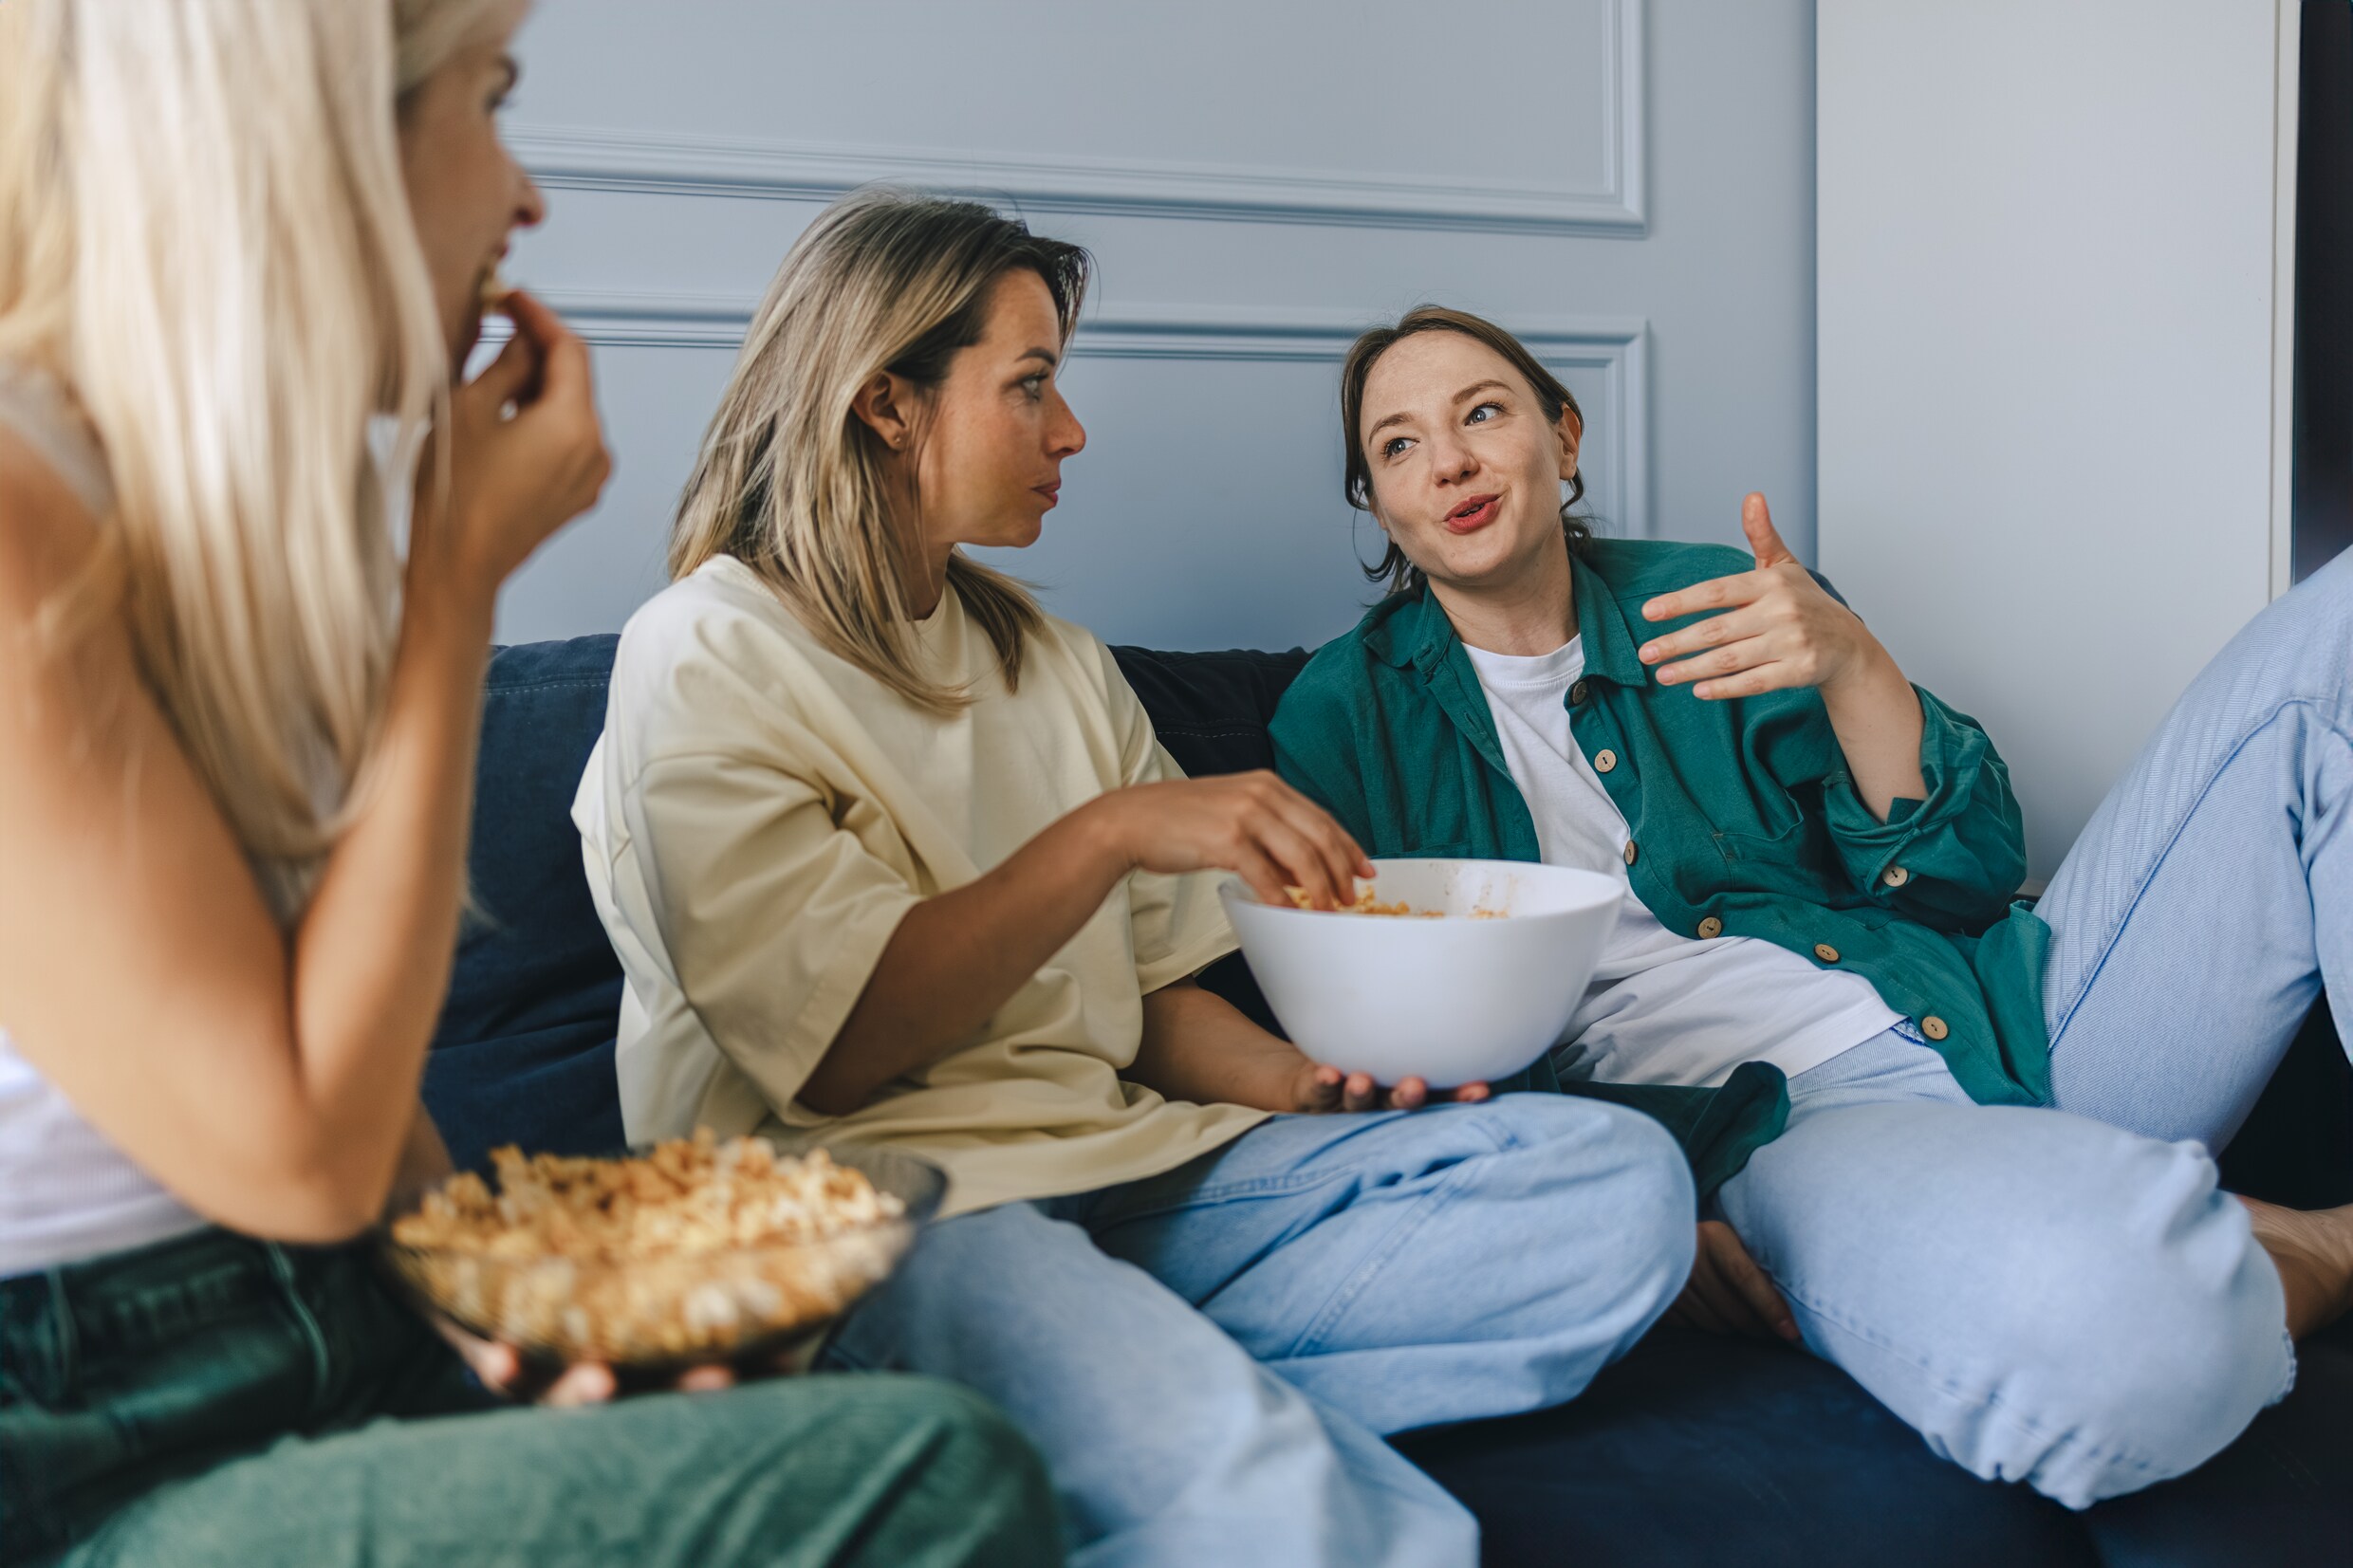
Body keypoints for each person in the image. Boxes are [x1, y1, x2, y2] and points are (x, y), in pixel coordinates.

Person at [0, 6, 1057, 1565]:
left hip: (340, 1308)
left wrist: (523, 1297)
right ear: (314, 141)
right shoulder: (21, 509)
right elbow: (292, 1149)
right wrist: (453, 585)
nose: (527, 195)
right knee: (934, 1474)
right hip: (92, 1414)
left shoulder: (217, 522)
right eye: (491, 101)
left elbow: (344, 1073)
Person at [574, 190, 1699, 1568]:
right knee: (1275, 1511)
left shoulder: (1051, 660)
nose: (1071, 430)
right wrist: (1109, 833)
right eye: (1031, 386)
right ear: (888, 404)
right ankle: (1144, 1431)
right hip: (885, 1215)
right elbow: (843, 1052)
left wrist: (1316, 1095)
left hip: (1138, 1179)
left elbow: (1156, 1002)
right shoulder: (706, 652)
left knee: (1614, 1185)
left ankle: (1062, 1416)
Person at [1267, 302, 2353, 1509]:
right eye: (1398, 445)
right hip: (1788, 1132)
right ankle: (2296, 1245)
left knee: (2338, 628)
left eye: (1482, 413)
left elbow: (1967, 873)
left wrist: (1853, 665)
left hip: (2016, 1017)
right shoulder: (1342, 714)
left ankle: (2221, 1227)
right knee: (2120, 1342)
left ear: (1561, 439)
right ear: (1375, 503)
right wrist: (1628, 1218)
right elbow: (1377, 1036)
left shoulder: (1724, 600)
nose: (1450, 461)